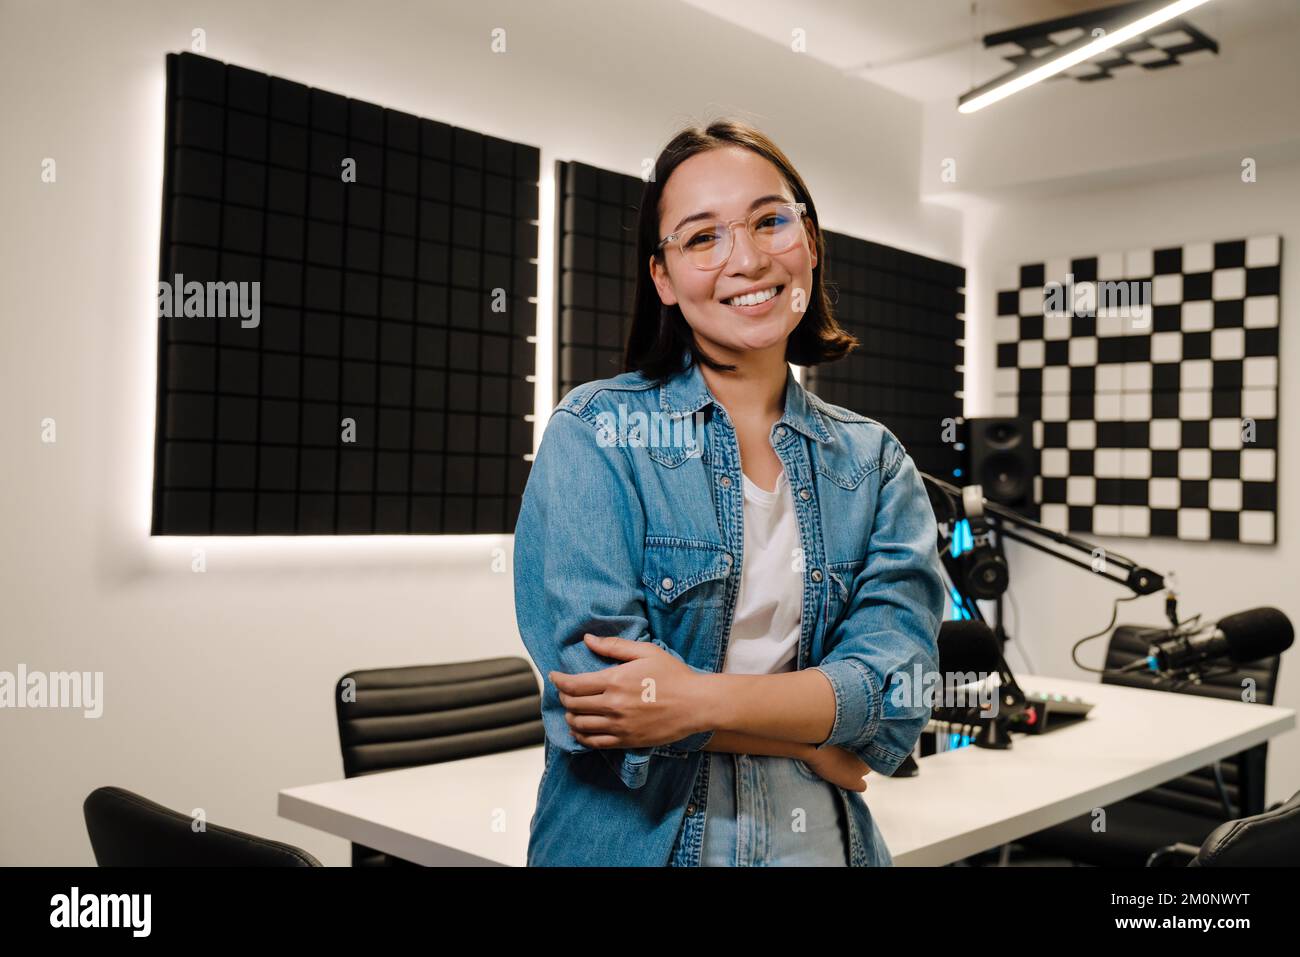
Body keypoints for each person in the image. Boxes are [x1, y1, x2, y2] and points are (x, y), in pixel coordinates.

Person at [513, 118, 946, 866]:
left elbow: (896, 691)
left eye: (769, 221)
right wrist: (821, 744)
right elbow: (605, 700)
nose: (746, 259)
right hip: (635, 839)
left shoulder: (876, 463)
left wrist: (701, 700)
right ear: (663, 277)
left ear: (808, 240)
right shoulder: (594, 431)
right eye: (703, 237)